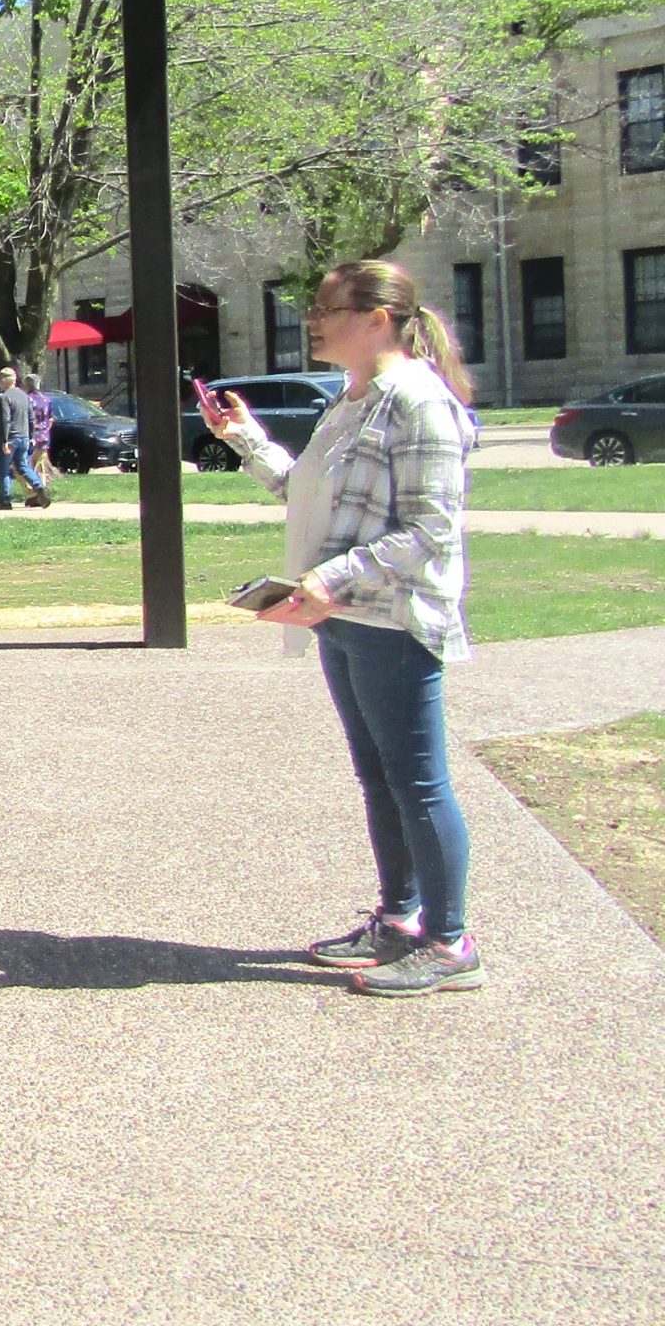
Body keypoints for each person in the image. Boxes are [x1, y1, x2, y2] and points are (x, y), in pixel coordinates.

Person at [200, 260, 483, 998]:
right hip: (343, 617)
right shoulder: (354, 399)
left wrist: (328, 579)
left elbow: (431, 530)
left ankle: (449, 943)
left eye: (327, 308)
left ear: (379, 317)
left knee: (419, 784)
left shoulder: (420, 402)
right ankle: (398, 920)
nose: (312, 321)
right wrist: (245, 439)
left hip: (390, 620)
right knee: (380, 779)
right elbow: (309, 495)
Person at [0, 365, 48, 510]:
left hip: (10, 438)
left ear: (5, 380)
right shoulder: (24, 396)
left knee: (4, 470)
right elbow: (31, 419)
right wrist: (30, 436)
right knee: (23, 466)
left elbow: (5, 420)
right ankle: (39, 487)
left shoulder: (5, 398)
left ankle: (4, 500)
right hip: (23, 437)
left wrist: (4, 440)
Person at [25, 370, 57, 496]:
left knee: (29, 465)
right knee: (41, 465)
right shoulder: (46, 399)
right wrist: (46, 430)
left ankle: (35, 492)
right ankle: (43, 488)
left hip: (32, 436)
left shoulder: (27, 399)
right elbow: (51, 418)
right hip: (44, 436)